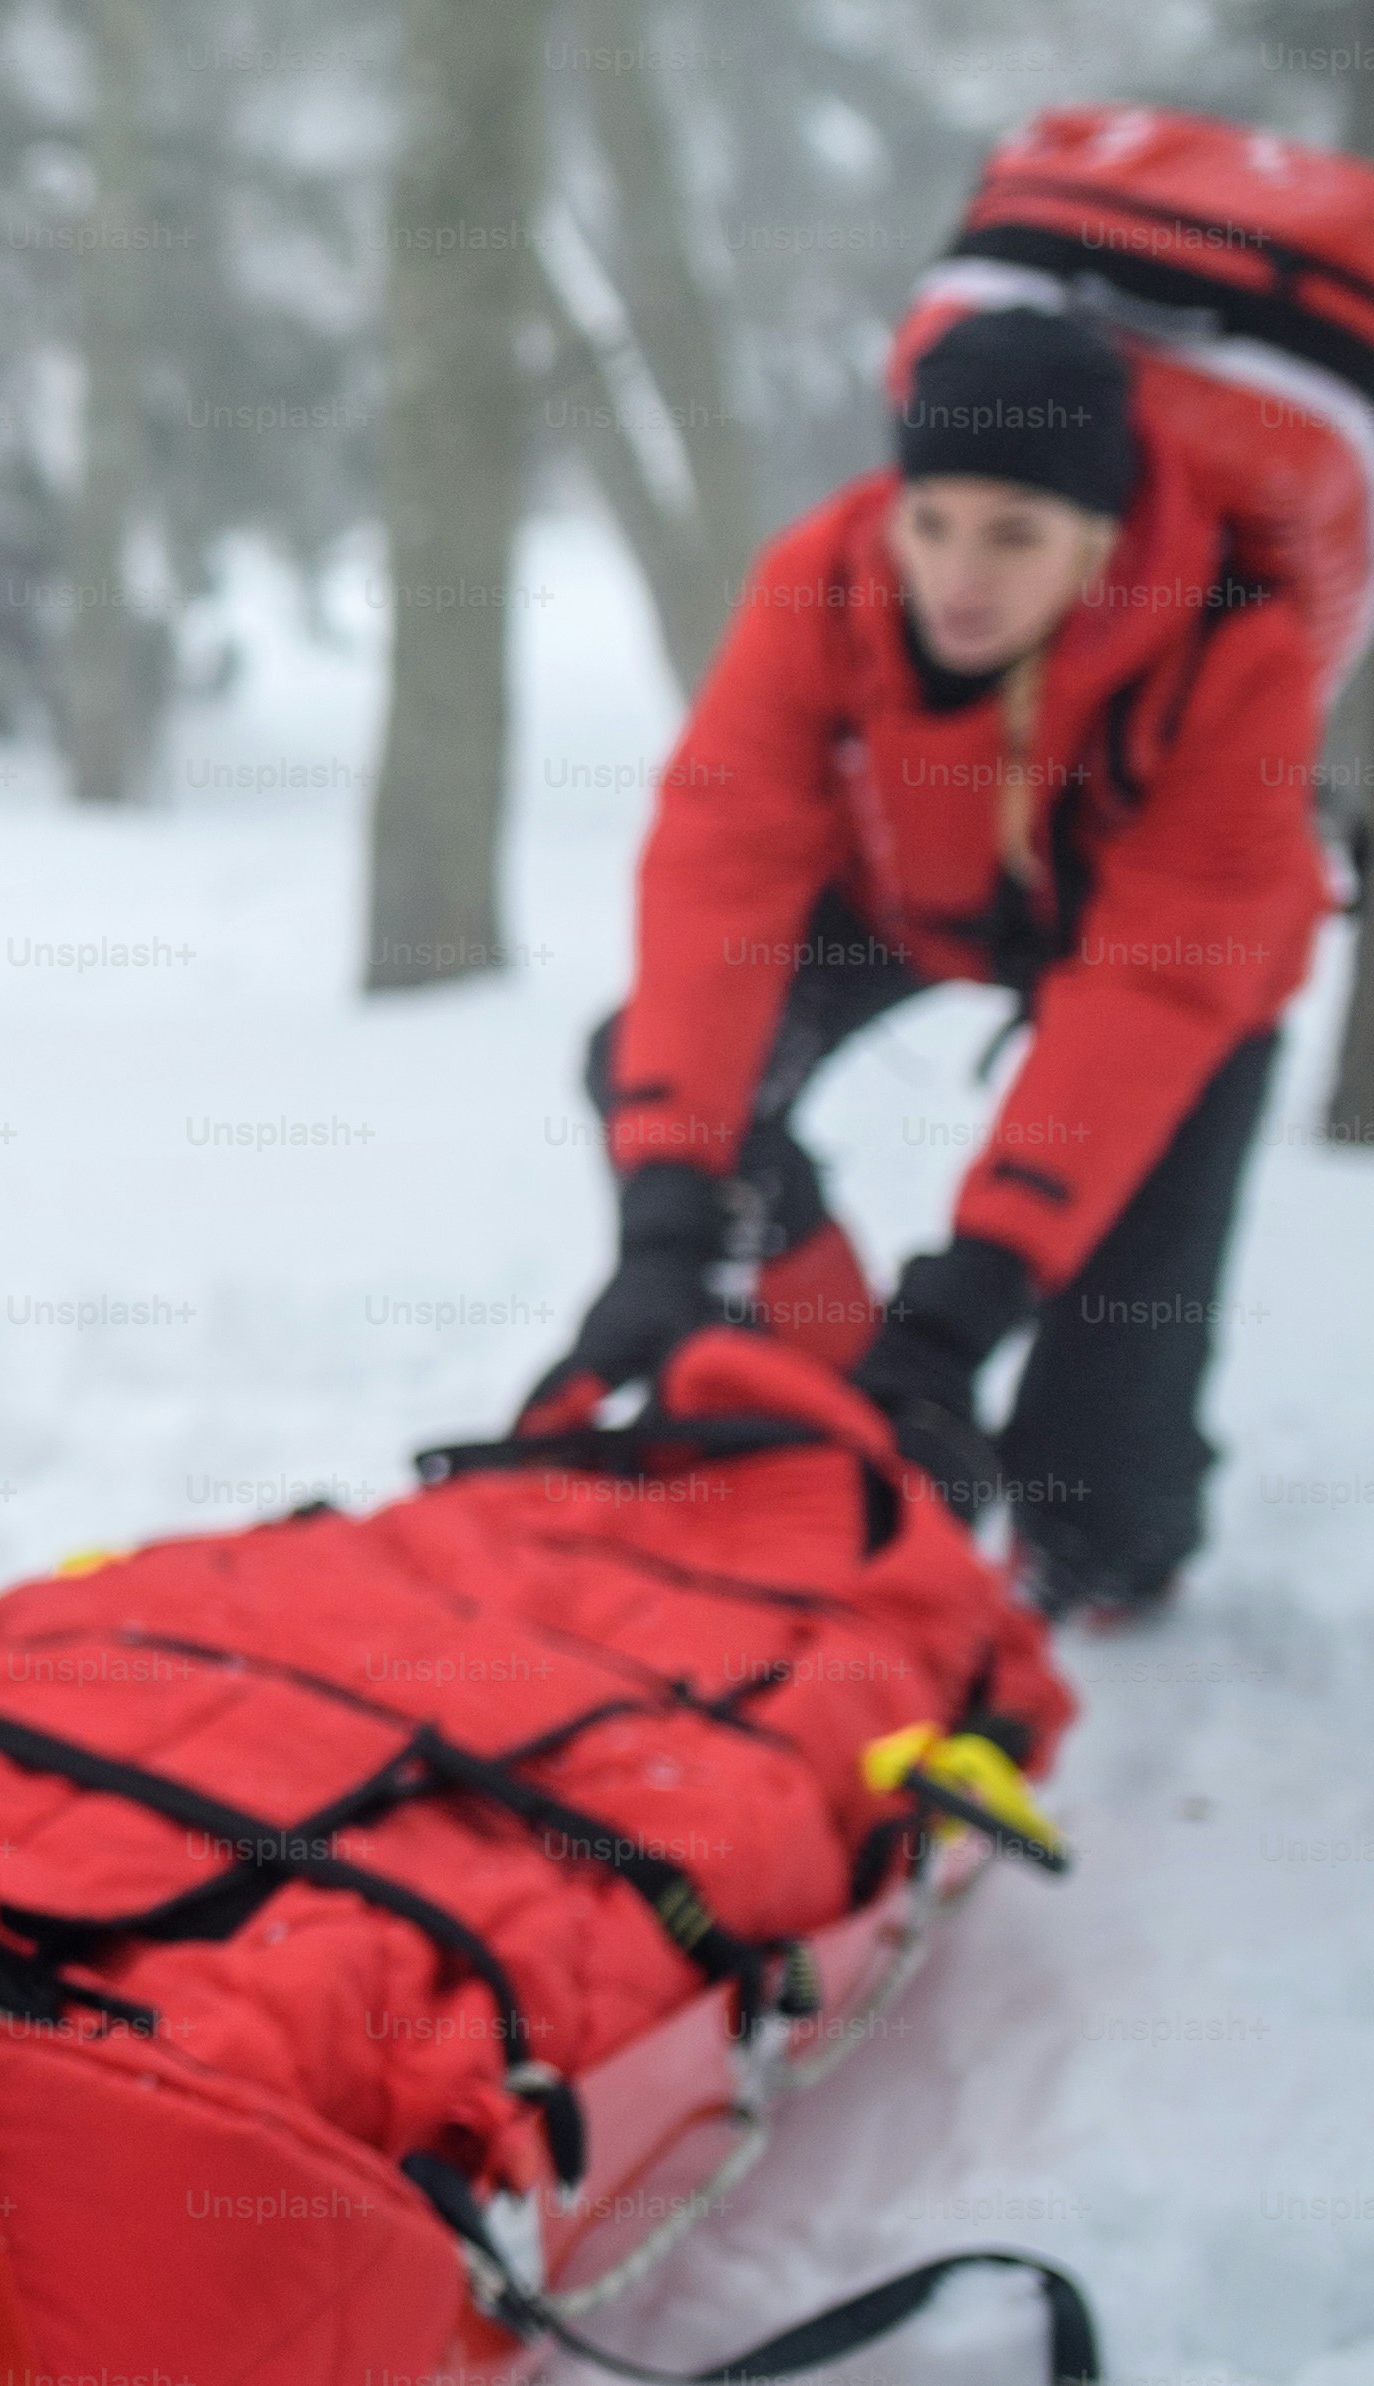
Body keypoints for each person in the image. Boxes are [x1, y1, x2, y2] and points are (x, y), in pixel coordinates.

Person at [547, 306, 1332, 1618]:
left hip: (1182, 973)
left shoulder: (1238, 654)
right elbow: (723, 867)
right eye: (934, 523)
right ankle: (830, 1385)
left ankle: (1096, 1512)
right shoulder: (823, 582)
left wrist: (971, 1296)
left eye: (1015, 535)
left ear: (1100, 534)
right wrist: (666, 1216)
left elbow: (1152, 988)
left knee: (1100, 1513)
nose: (960, 575)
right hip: (914, 899)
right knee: (654, 1069)